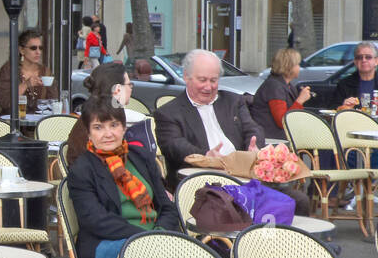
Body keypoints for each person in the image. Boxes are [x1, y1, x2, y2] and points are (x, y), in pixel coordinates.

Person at [68, 95, 230, 258]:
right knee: (156, 257)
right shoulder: (82, 169)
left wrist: (158, 234)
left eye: (113, 125)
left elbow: (167, 206)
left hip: (156, 244)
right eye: (98, 127)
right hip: (105, 247)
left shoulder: (140, 158)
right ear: (88, 134)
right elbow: (96, 221)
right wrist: (146, 239)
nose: (107, 133)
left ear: (123, 128)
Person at [154, 48, 263, 187]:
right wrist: (206, 156)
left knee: (296, 201)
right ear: (186, 77)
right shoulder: (168, 113)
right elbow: (175, 146)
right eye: (202, 80)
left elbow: (253, 129)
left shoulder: (233, 101)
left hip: (244, 178)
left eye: (213, 80)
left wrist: (253, 148)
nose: (208, 87)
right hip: (202, 184)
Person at [66, 61, 155, 164]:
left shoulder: (91, 116)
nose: (131, 88)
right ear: (117, 90)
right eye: (129, 84)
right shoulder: (103, 122)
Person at [332, 40, 378, 129]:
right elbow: (332, 111)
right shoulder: (344, 84)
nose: (364, 60)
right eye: (359, 57)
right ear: (355, 62)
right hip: (354, 132)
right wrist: (343, 107)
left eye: (368, 57)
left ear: (376, 61)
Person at [250, 47, 313, 139]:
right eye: (297, 64)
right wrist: (300, 100)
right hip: (272, 138)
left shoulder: (288, 86)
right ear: (289, 66)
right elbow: (282, 121)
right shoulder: (274, 87)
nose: (299, 67)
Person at [0, 29, 59, 112]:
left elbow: (53, 102)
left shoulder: (45, 72)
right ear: (22, 50)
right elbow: (5, 102)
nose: (38, 52)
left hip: (39, 122)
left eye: (40, 48)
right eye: (33, 48)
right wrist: (26, 84)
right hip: (14, 122)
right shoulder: (9, 70)